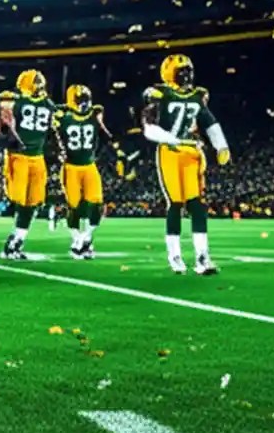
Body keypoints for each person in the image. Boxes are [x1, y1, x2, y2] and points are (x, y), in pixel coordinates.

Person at [141, 54, 230, 274]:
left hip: (191, 151)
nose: (186, 75)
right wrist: (171, 139)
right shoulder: (160, 93)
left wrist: (221, 145)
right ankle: (175, 255)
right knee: (175, 204)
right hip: (170, 151)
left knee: (197, 205)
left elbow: (209, 122)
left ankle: (202, 257)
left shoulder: (197, 96)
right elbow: (148, 127)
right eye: (181, 71)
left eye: (188, 71)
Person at [54, 84, 121, 259]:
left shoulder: (94, 114)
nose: (83, 104)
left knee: (97, 204)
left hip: (89, 165)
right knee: (74, 207)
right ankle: (77, 240)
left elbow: (104, 133)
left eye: (85, 100)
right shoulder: (62, 116)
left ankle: (85, 237)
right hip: (71, 166)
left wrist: (117, 150)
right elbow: (52, 137)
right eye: (79, 100)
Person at [0, 69, 55, 260]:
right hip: (22, 156)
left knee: (32, 203)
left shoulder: (17, 102)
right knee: (21, 202)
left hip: (33, 157)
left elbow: (3, 130)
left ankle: (17, 240)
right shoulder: (47, 105)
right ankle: (14, 241)